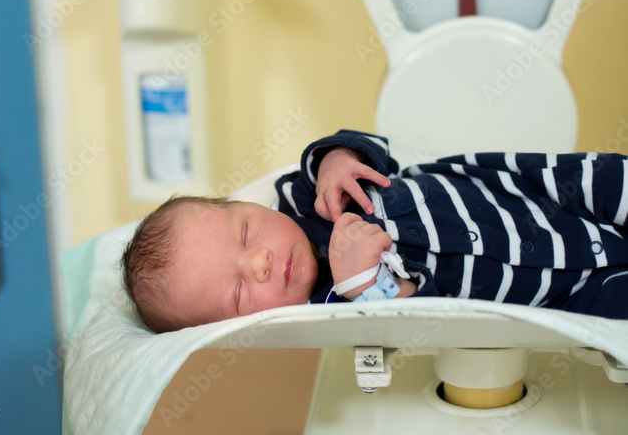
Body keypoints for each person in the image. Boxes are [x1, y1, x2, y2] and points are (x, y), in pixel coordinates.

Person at [122, 129, 628, 331]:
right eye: (237, 291)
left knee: (606, 179)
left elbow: (361, 146)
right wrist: (363, 283)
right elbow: (416, 312)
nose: (260, 263)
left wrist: (339, 161)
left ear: (248, 206)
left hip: (519, 193)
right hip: (562, 293)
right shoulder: (332, 307)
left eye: (247, 233)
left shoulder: (307, 196)